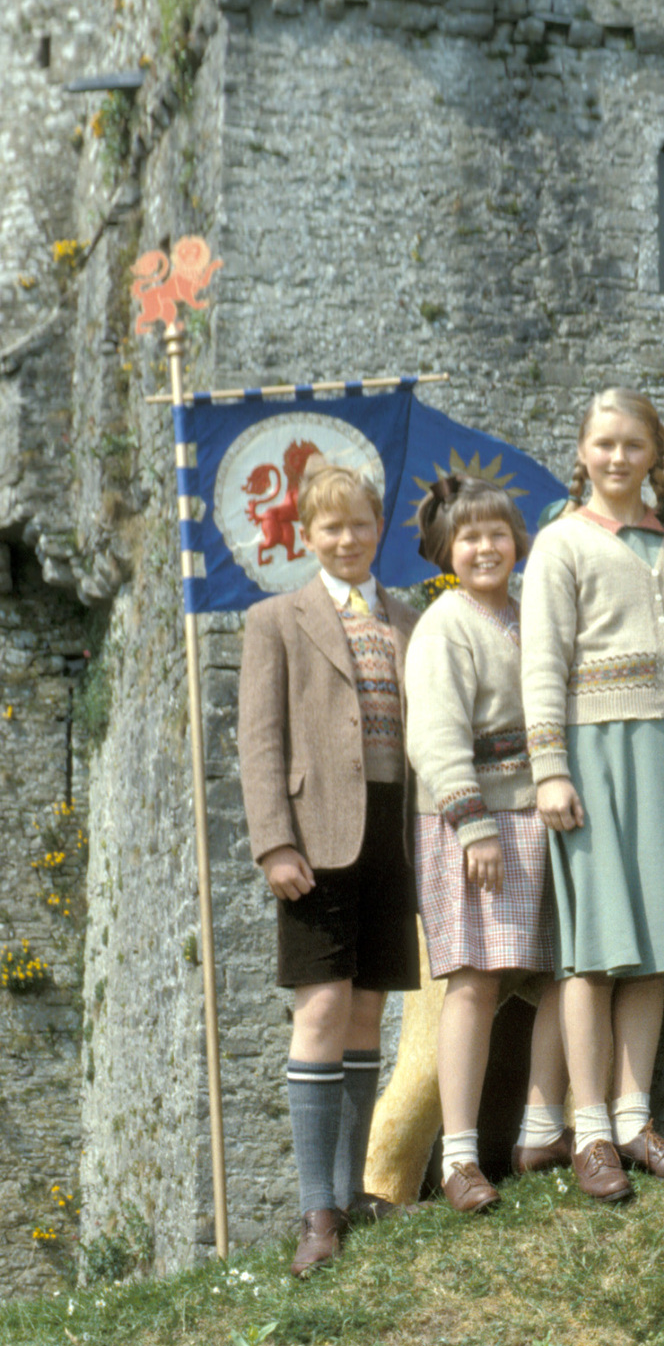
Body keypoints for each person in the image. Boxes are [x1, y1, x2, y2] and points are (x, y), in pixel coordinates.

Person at [520, 388, 664, 1202]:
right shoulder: (559, 545)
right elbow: (541, 664)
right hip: (593, 753)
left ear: (656, 455)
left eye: (634, 445)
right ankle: (587, 1133)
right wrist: (550, 769)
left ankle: (634, 1118)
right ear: (581, 453)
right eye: (604, 444)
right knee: (595, 948)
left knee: (656, 948)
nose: (618, 458)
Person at [238, 461, 421, 1277]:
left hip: (395, 833)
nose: (347, 539)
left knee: (367, 1013)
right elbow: (260, 741)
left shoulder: (410, 617)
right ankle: (317, 1210)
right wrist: (275, 842)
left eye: (360, 525)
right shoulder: (277, 618)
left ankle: (353, 1195)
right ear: (306, 538)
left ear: (379, 529)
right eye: (330, 528)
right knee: (321, 1010)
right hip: (316, 836)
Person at [404, 474, 569, 1216]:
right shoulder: (446, 623)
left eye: (498, 533)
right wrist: (472, 823)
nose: (485, 548)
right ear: (447, 548)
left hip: (541, 816)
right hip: (474, 822)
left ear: (517, 541)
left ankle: (541, 1129)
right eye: (469, 538)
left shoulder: (533, 613)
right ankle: (460, 1157)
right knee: (472, 981)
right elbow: (435, 737)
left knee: (569, 972)